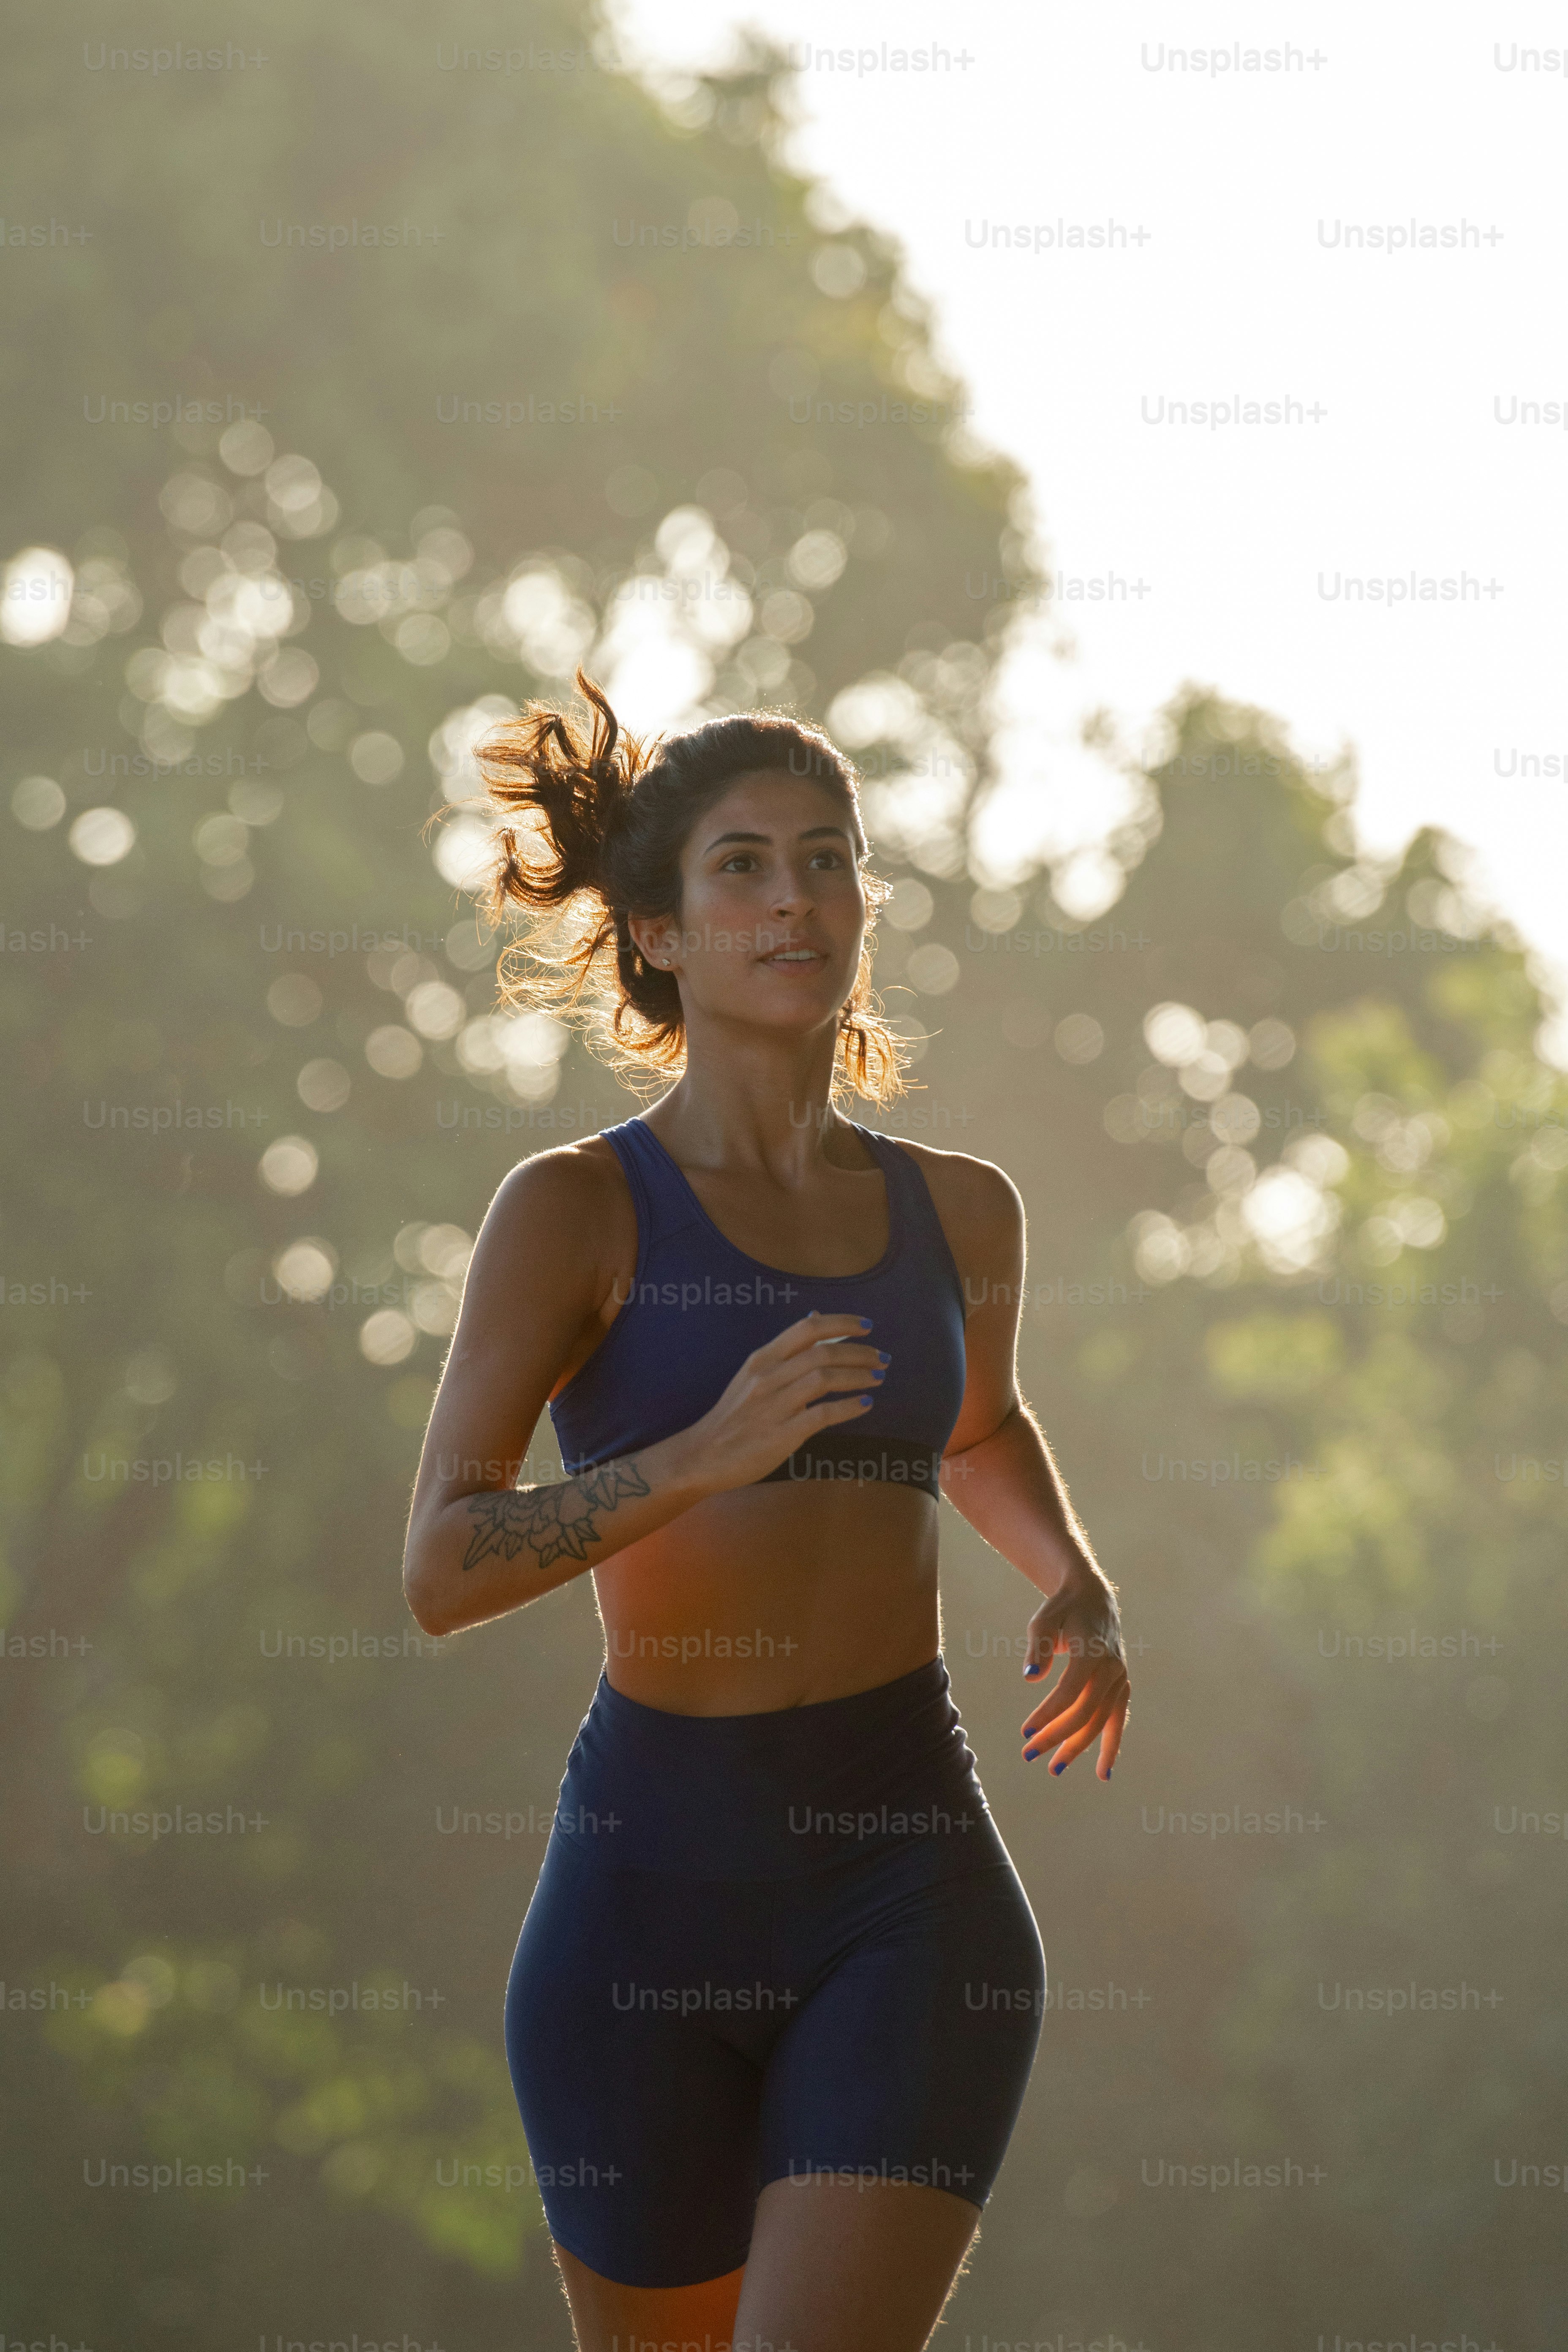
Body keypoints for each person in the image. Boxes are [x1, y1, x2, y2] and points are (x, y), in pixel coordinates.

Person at [401, 672, 1131, 2352]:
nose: (792, 898)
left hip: (903, 1883)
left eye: (825, 859)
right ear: (655, 934)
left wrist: (1073, 1576)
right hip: (638, 1899)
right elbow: (441, 1565)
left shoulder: (958, 1208)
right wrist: (699, 1457)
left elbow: (975, 1424)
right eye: (740, 867)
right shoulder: (574, 1211)